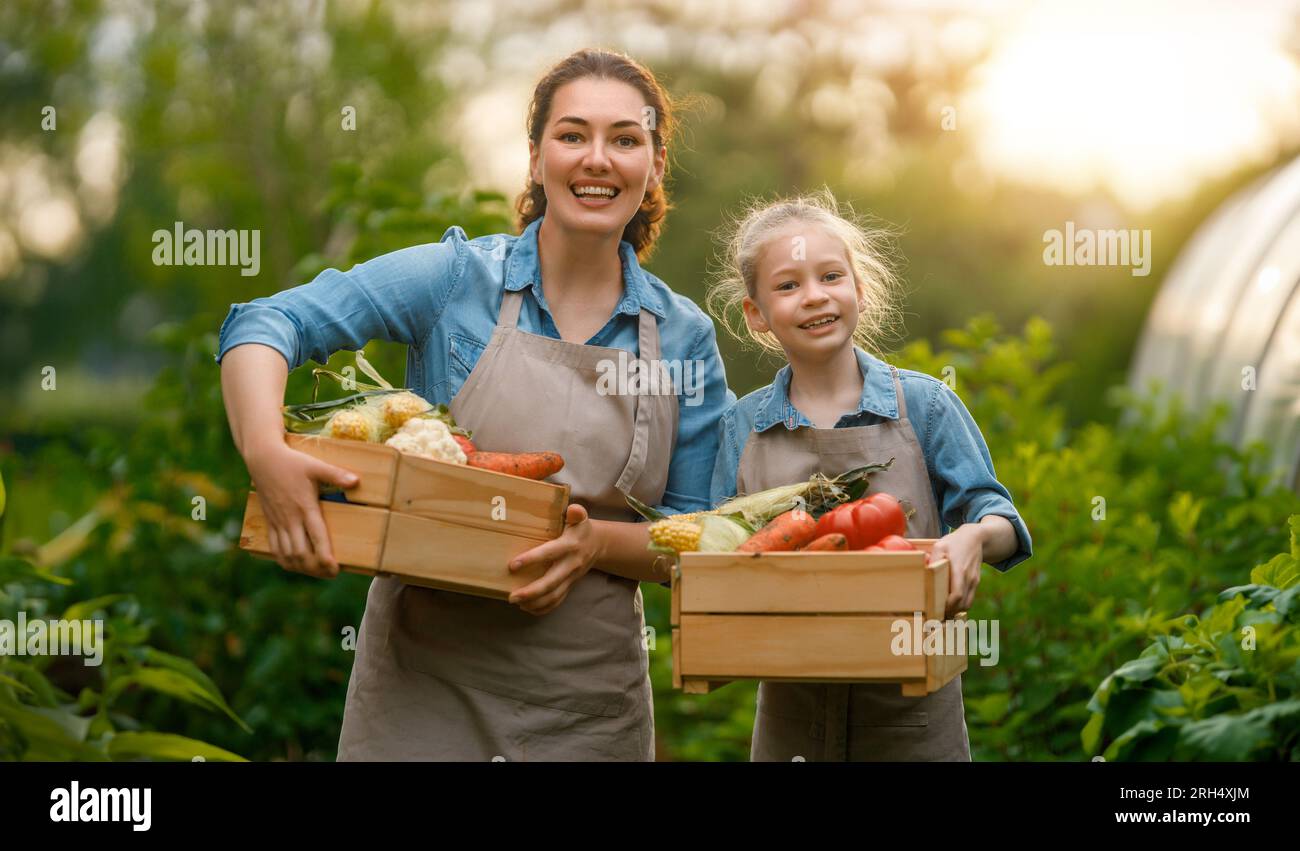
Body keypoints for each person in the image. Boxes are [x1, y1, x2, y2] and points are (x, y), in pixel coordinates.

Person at [217, 49, 731, 761]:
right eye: (572, 134)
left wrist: (594, 547)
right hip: (422, 693)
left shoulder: (684, 337)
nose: (597, 160)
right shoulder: (458, 280)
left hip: (589, 713)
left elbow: (699, 539)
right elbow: (264, 324)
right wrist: (266, 450)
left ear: (655, 165)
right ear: (534, 157)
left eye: (624, 139)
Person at [706, 189, 1032, 761]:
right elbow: (713, 557)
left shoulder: (925, 406)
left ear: (859, 288)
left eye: (830, 276)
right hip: (789, 718)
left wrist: (973, 535)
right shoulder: (741, 426)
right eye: (787, 285)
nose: (814, 297)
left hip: (914, 721)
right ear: (756, 315)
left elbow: (999, 516)